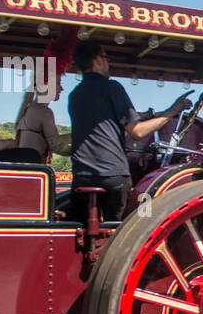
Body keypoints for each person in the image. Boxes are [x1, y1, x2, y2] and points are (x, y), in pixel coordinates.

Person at [67, 40, 192, 221]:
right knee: (121, 228)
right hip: (111, 175)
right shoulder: (112, 88)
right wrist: (171, 113)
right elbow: (137, 132)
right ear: (97, 60)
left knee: (80, 224)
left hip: (82, 175)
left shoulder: (75, 94)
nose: (108, 63)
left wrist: (164, 111)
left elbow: (116, 117)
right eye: (106, 57)